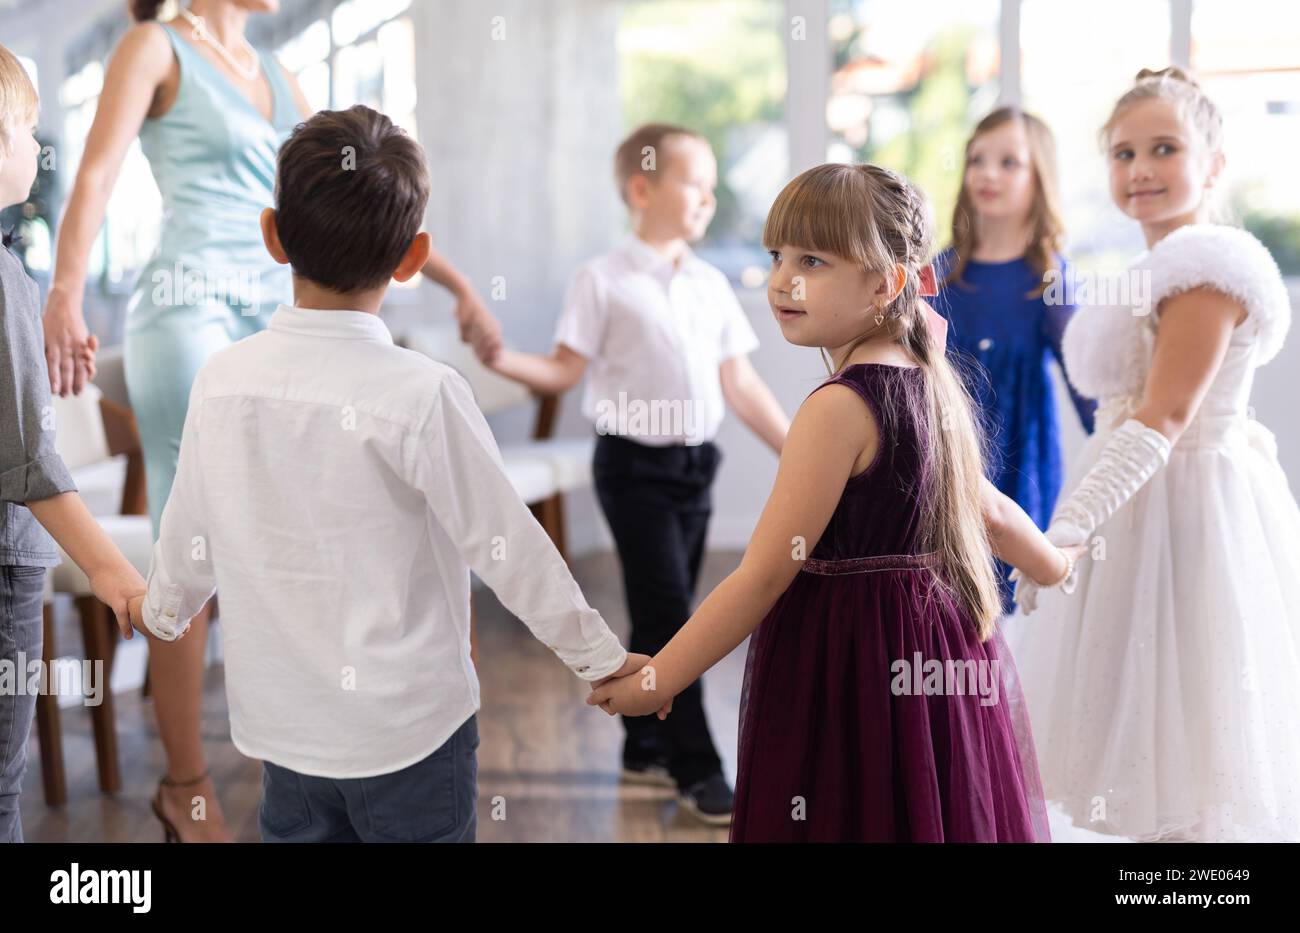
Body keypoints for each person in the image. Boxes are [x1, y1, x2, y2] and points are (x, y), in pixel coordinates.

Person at [126, 105, 650, 843]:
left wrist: (162, 610)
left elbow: (187, 545)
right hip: (411, 737)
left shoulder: (221, 380)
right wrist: (598, 657)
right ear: (413, 258)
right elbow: (508, 547)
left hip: (287, 736)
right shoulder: (422, 392)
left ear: (272, 236)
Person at [44, 0, 501, 841]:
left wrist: (456, 282)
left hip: (286, 300)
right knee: (196, 547)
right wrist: (65, 294)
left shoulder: (274, 69)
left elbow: (356, 201)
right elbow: (98, 173)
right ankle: (185, 787)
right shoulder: (153, 46)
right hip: (188, 308)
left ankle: (328, 761)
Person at [588, 163, 1085, 841]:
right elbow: (992, 512)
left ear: (885, 283)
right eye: (777, 256)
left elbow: (762, 574)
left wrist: (658, 679)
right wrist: (1055, 564)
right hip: (934, 648)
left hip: (851, 653)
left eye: (813, 260)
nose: (782, 280)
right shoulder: (931, 380)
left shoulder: (839, 408)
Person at [1007, 68, 1300, 842]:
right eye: (1122, 152)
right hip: (1135, 506)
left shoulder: (1208, 270)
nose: (1138, 170)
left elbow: (1164, 417)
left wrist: (1065, 529)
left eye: (1163, 149)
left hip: (1190, 509)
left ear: (1212, 163)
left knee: (1195, 734)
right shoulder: (1149, 269)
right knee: (1147, 736)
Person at [485, 124, 790, 825]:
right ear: (641, 188)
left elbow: (739, 383)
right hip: (634, 468)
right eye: (694, 184)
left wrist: (800, 452)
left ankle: (644, 741)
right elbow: (564, 370)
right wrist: (503, 360)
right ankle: (698, 764)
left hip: (695, 466)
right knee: (674, 615)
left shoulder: (710, 284)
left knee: (666, 604)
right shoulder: (602, 279)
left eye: (715, 189)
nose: (708, 199)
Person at [0, 42, 147, 842]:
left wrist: (43, 371)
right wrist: (112, 568)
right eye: (24, 134)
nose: (36, 151)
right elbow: (30, 466)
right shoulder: (4, 281)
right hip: (6, 566)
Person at [935, 107, 1096, 613]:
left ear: (1040, 177)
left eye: (1009, 162)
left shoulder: (1051, 280)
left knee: (1012, 619)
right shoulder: (935, 276)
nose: (988, 173)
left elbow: (1087, 391)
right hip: (942, 467)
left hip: (1019, 467)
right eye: (977, 159)